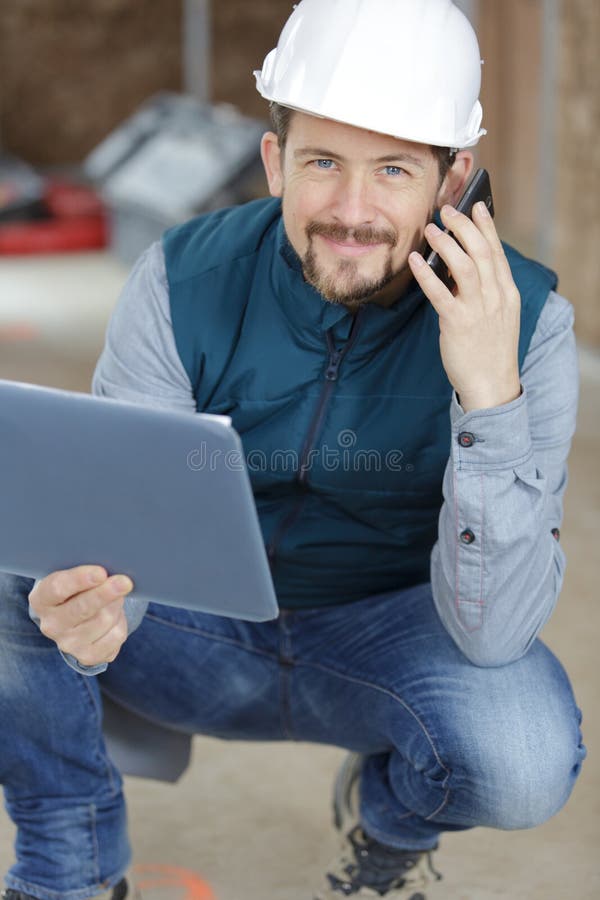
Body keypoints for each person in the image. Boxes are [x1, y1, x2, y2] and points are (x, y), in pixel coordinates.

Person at [0, 0, 586, 898]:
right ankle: (70, 870)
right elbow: (122, 528)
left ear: (453, 179)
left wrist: (487, 394)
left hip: (387, 644)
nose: (352, 211)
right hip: (194, 635)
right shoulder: (180, 277)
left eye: (393, 169)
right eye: (323, 162)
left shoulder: (531, 328)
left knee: (524, 753)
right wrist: (89, 611)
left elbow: (493, 630)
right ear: (275, 163)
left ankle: (388, 830)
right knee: (12, 566)